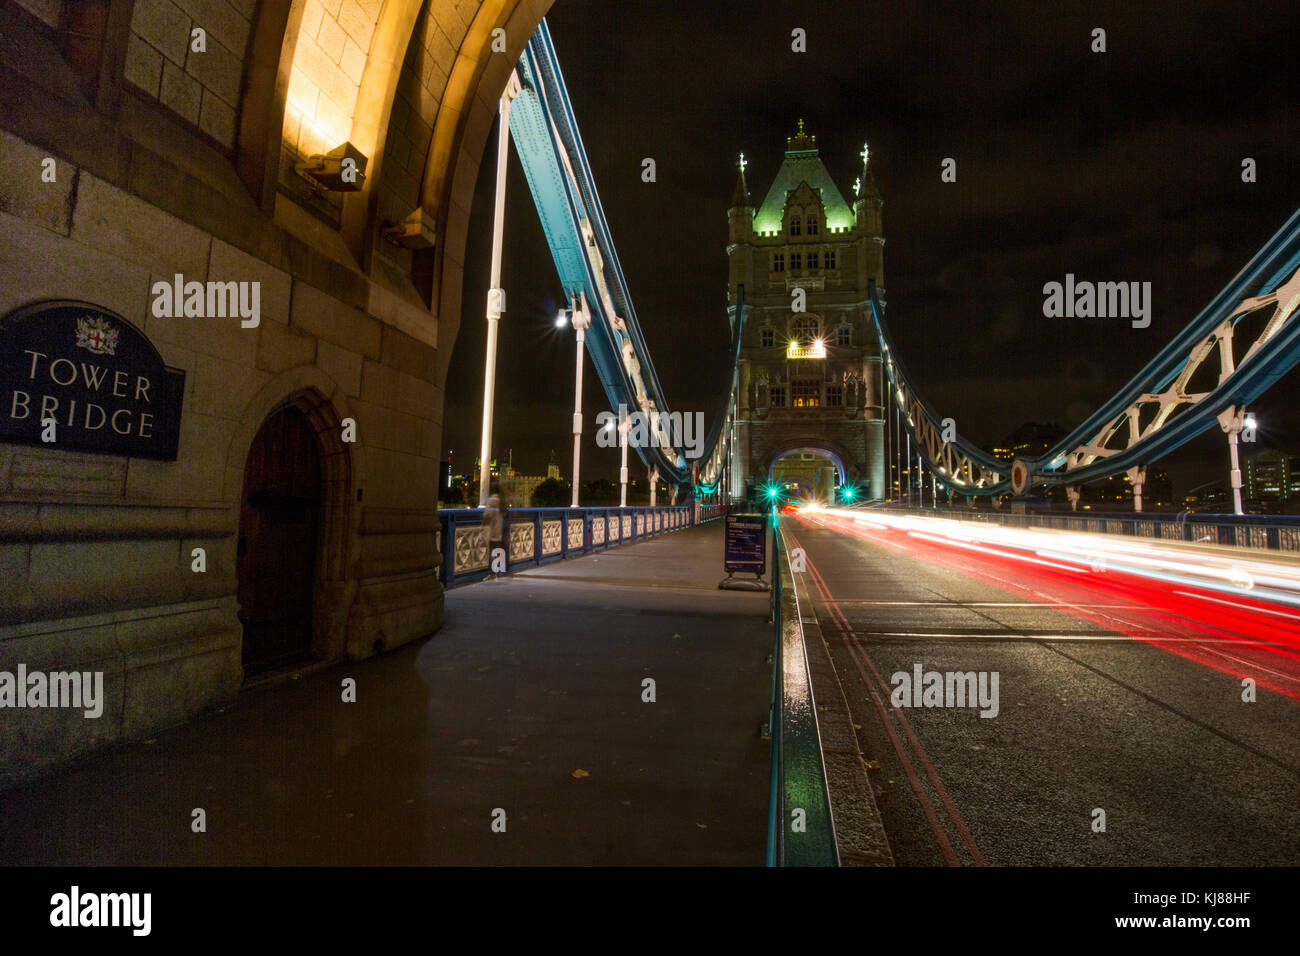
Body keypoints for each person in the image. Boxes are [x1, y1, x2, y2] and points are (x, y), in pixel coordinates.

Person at [481, 483, 504, 580]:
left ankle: (492, 573)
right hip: (500, 529)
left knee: (492, 552)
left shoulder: (491, 501)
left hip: (492, 530)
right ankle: (498, 571)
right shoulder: (501, 501)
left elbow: (487, 515)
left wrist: (482, 527)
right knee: (498, 551)